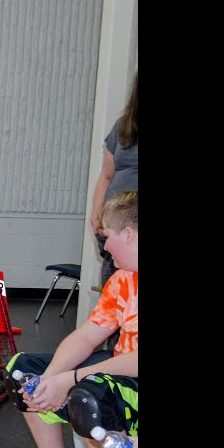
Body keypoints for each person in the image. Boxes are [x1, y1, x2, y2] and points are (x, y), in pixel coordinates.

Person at [0, 190, 138, 448]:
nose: (104, 249)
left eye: (106, 237)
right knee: (22, 369)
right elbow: (88, 335)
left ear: (130, 235)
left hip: (129, 380)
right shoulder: (123, 280)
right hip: (120, 377)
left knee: (91, 392)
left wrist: (70, 381)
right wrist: (51, 380)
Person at [88, 72, 138, 288]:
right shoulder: (123, 127)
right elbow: (106, 175)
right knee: (112, 288)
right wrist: (96, 214)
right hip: (115, 223)